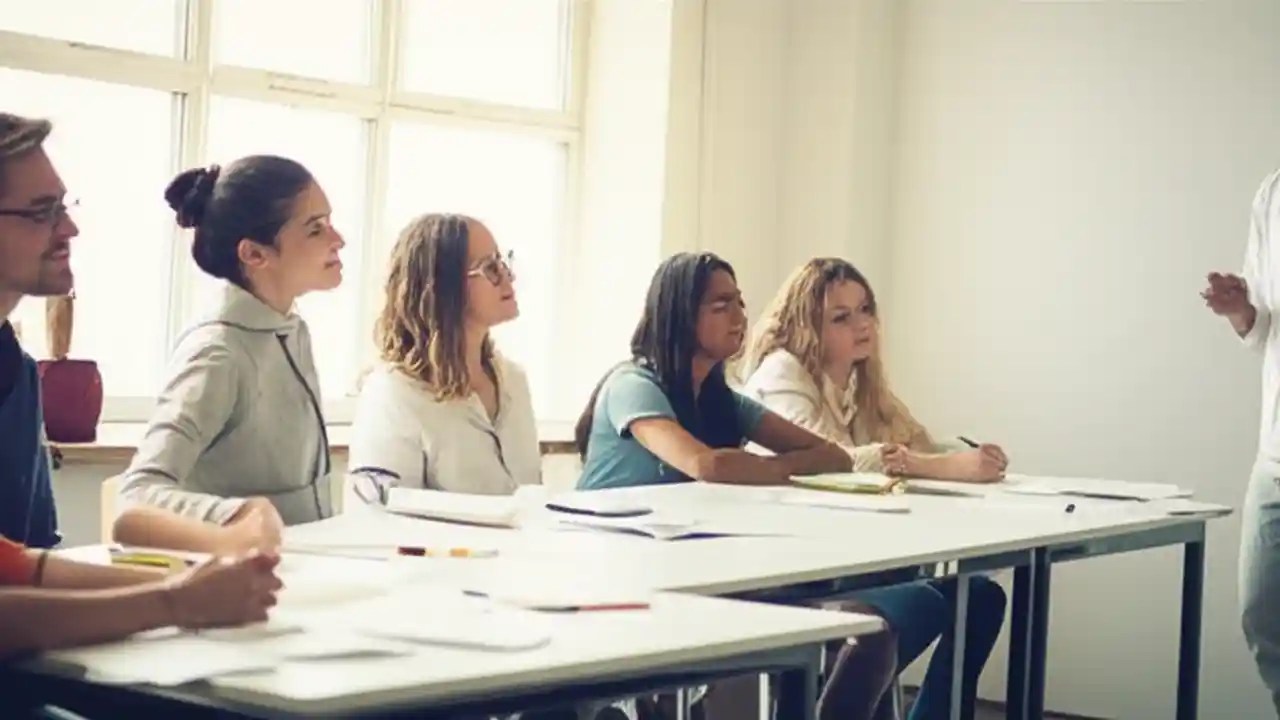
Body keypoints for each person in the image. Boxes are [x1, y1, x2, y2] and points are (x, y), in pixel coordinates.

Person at [574, 252, 880, 720]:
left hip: (692, 569)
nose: (741, 317)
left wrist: (764, 466)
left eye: (740, 302)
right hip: (612, 571)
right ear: (680, 315)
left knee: (859, 626)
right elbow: (706, 464)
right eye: (721, 305)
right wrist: (779, 468)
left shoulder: (724, 400)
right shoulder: (632, 384)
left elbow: (834, 457)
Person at [740, 257, 1008, 719]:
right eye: (841, 317)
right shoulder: (781, 374)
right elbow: (834, 461)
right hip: (792, 565)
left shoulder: (858, 379)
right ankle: (832, 704)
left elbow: (908, 438)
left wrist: (967, 455)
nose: (861, 325)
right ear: (808, 327)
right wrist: (944, 466)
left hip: (846, 557)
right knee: (922, 600)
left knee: (981, 597)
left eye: (865, 309)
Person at [113, 156, 346, 553]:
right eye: (315, 229)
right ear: (255, 254)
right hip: (239, 592)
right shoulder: (217, 353)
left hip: (304, 573)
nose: (337, 239)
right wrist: (237, 517)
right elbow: (137, 494)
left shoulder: (291, 329)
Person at [349, 213, 539, 497]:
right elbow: (382, 521)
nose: (508, 276)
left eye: (503, 262)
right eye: (490, 268)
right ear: (442, 287)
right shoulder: (393, 394)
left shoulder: (514, 381)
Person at [1203, 168, 1280, 714]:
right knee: (1261, 616)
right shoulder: (1273, 194)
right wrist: (1239, 310)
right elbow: (1264, 331)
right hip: (1275, 457)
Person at [0, 112, 70, 549]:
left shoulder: (19, 374)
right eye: (43, 212)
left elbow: (34, 556)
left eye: (63, 208)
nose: (69, 229)